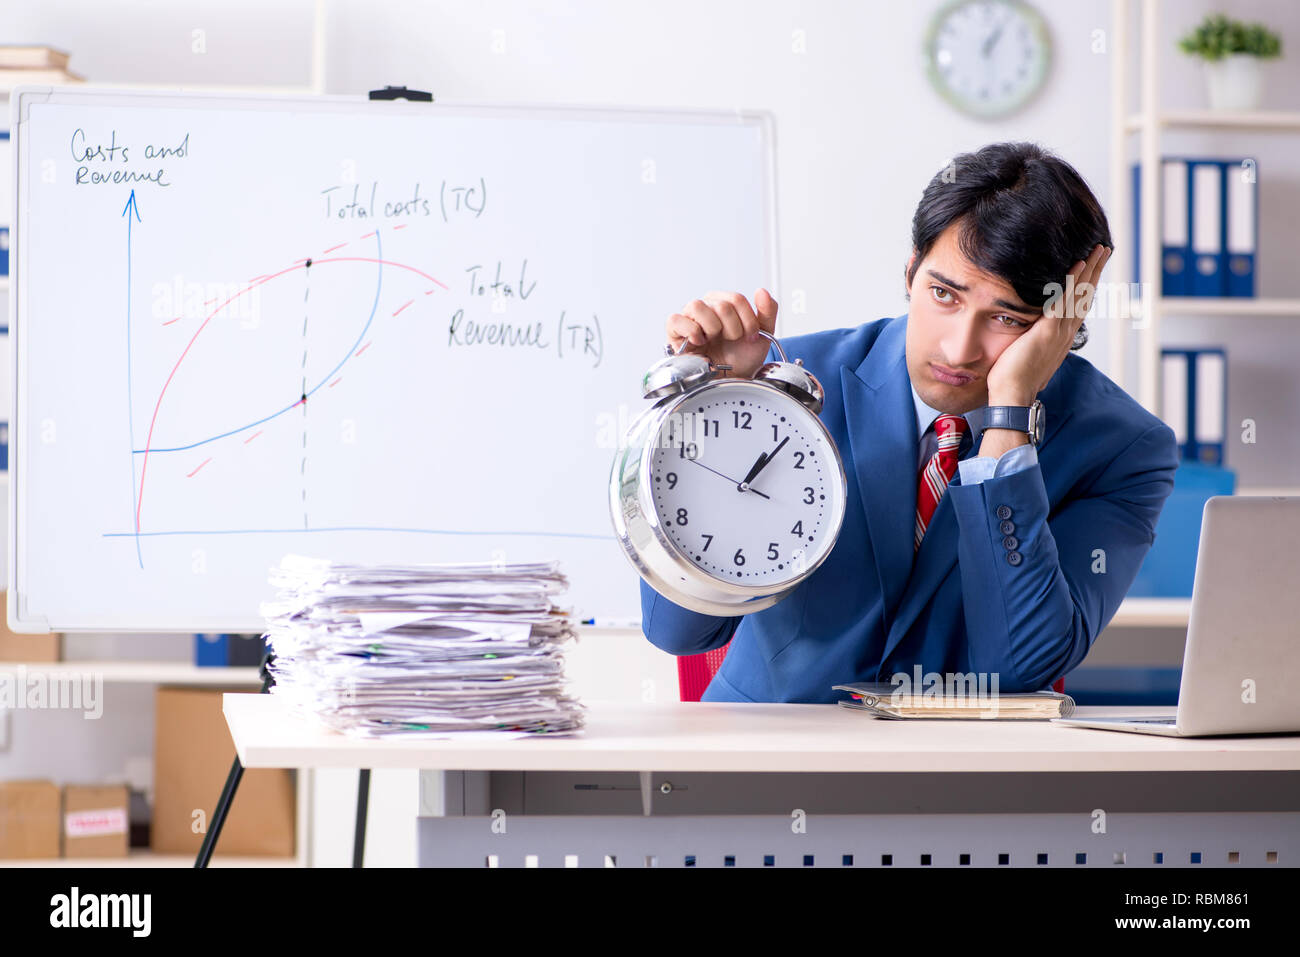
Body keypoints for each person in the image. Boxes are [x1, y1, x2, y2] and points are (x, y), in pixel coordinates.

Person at [639, 141, 1179, 703]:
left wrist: (1007, 417)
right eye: (943, 294)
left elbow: (1020, 664)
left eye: (1005, 317)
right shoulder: (783, 383)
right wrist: (711, 411)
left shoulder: (1123, 449)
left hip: (953, 781)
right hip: (765, 767)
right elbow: (679, 633)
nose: (958, 348)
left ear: (1063, 322)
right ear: (910, 271)